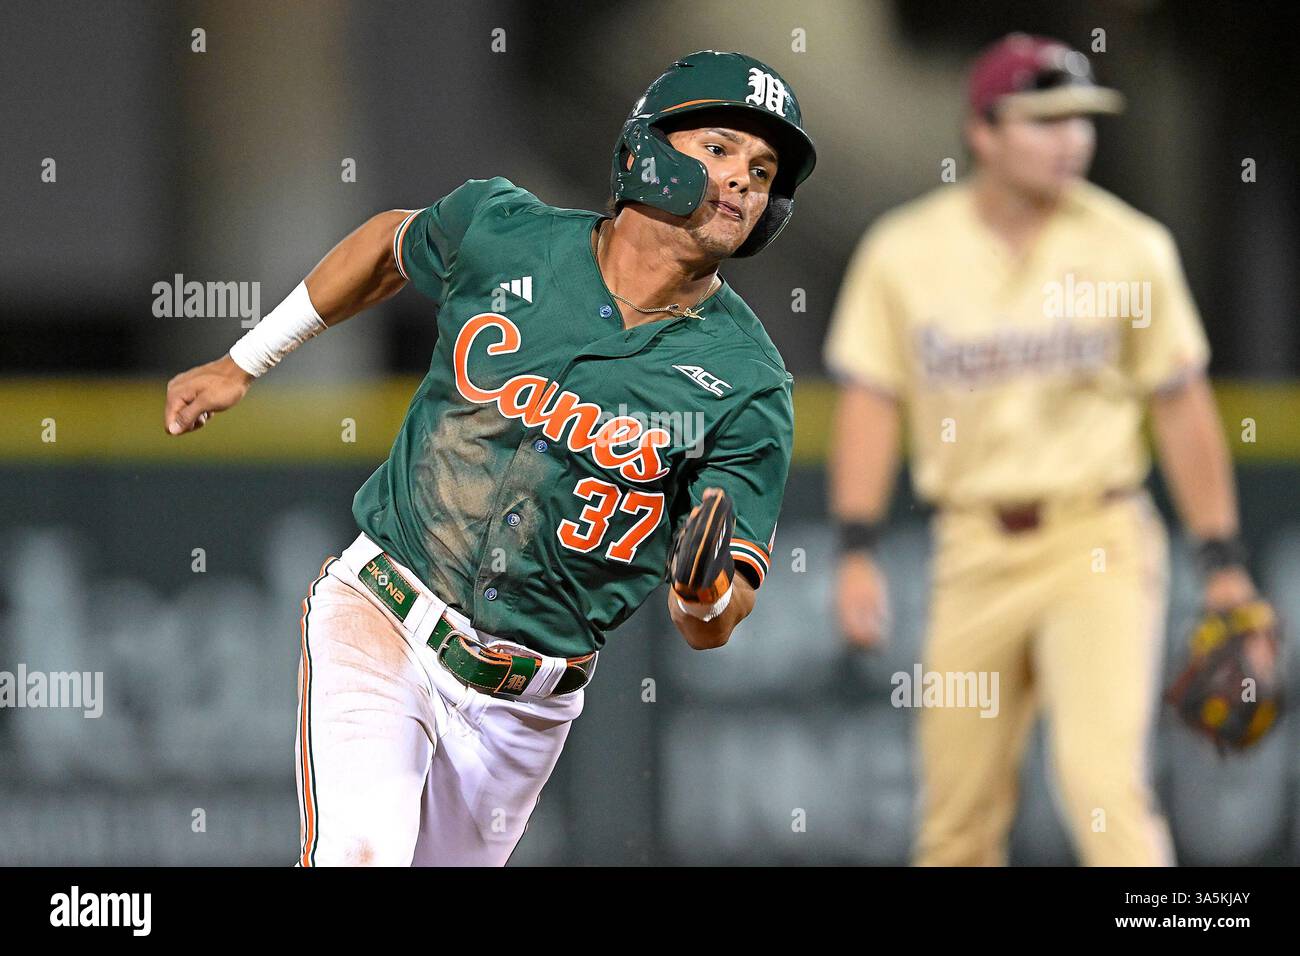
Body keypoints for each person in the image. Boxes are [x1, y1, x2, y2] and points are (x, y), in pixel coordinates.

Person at [163, 50, 815, 866]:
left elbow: (715, 617)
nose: (744, 180)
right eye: (719, 148)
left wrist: (705, 595)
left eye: (763, 170)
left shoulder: (748, 381)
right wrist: (245, 360)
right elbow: (387, 244)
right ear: (645, 150)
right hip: (389, 612)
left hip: (526, 707)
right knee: (359, 855)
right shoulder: (505, 233)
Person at [824, 34, 1259, 866]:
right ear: (982, 132)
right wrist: (854, 548)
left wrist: (1222, 558)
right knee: (956, 820)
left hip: (1096, 540)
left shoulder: (1130, 246)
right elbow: (872, 400)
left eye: (1081, 120)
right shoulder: (904, 251)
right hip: (971, 550)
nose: (1072, 140)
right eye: (1046, 119)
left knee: (1102, 791)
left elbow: (1181, 405)